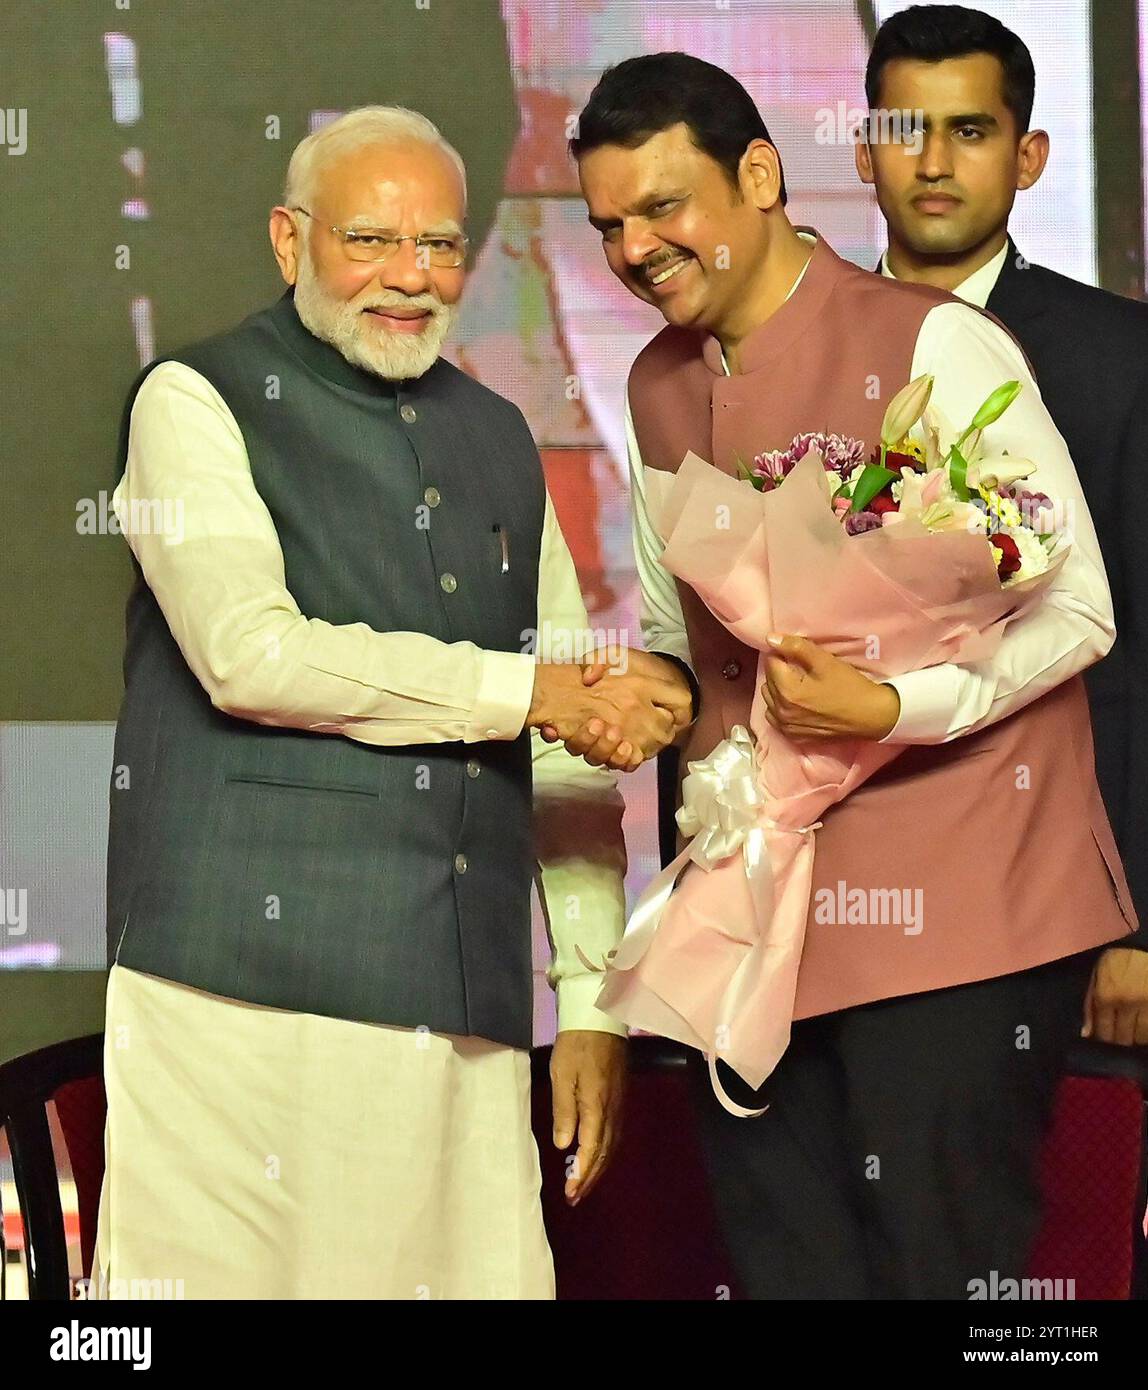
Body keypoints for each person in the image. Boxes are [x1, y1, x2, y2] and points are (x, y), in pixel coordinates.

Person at [94, 105, 694, 1300]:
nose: (409, 280)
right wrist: (531, 692)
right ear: (288, 241)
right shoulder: (192, 401)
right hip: (235, 1002)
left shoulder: (501, 438)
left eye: (438, 247)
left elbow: (570, 741)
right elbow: (247, 654)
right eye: (370, 241)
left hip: (456, 1015)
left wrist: (588, 999)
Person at [568, 51, 1138, 1299]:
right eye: (608, 224)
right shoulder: (654, 385)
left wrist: (894, 704)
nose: (633, 248)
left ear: (760, 175)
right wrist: (648, 693)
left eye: (661, 208)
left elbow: (1079, 607)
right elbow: (687, 636)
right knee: (784, 1266)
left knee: (939, 1269)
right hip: (756, 904)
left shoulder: (936, 339)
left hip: (962, 905)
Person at [857, 2, 1148, 1046]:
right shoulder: (795, 343)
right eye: (903, 131)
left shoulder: (1121, 358)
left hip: (1055, 904)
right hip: (833, 890)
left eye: (968, 131)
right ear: (861, 151)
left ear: (1025, 156)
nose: (931, 162)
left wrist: (1138, 921)